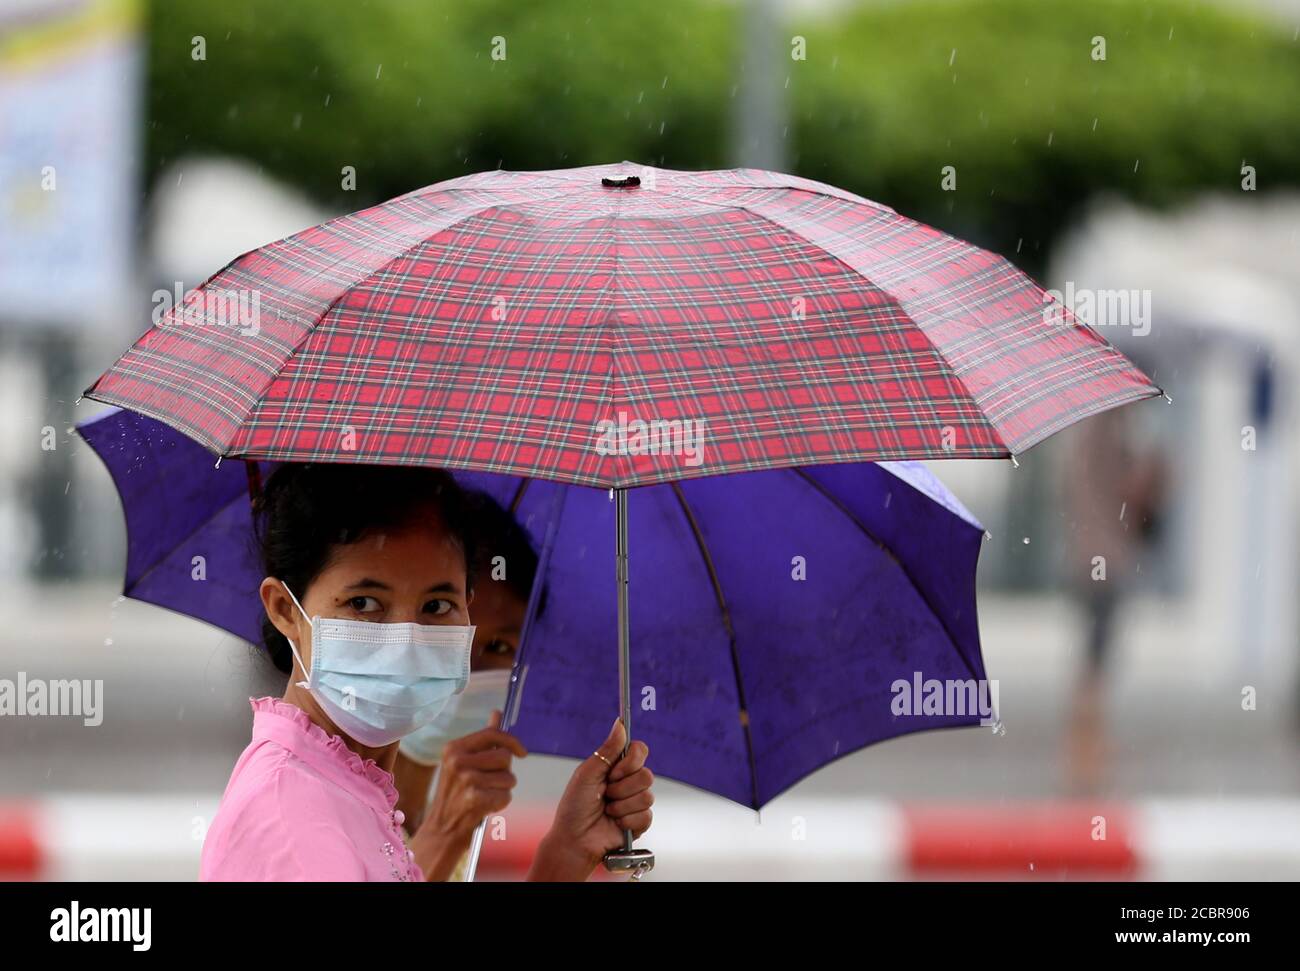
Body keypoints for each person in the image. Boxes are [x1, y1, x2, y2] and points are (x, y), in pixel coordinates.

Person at [199, 463, 653, 881]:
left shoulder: (348, 794)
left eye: (436, 606)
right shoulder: (295, 820)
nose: (407, 643)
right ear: (285, 609)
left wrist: (567, 852)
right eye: (363, 603)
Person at [391, 493, 537, 880]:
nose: (464, 671)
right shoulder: (313, 809)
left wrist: (570, 848)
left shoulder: (451, 831)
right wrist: (445, 832)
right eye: (444, 628)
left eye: (498, 647)